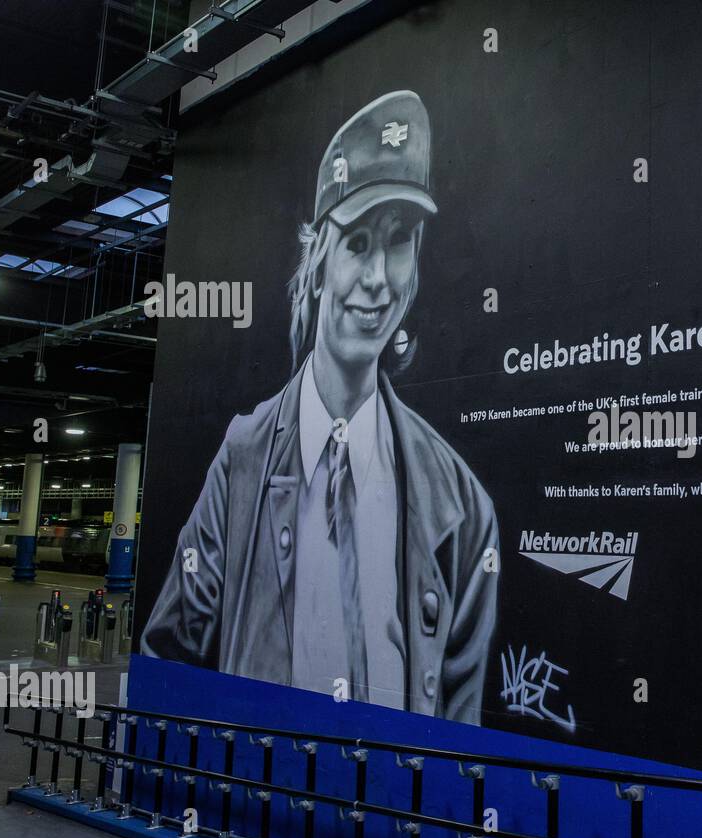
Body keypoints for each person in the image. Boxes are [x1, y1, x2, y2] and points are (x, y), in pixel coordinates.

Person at [142, 91, 498, 723]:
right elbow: (169, 655)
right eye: (358, 242)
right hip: (260, 806)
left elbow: (461, 741)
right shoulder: (245, 458)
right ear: (315, 263)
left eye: (400, 242)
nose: (378, 280)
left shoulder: (461, 508)